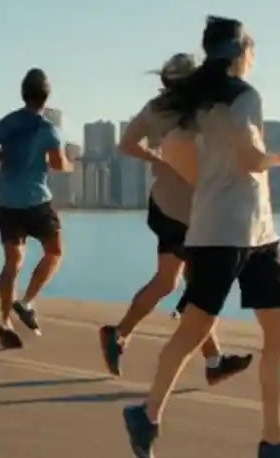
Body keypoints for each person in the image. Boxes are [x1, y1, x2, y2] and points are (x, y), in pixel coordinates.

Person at [122, 16, 280, 458]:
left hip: (255, 232)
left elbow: (166, 146)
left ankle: (274, 440)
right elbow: (250, 160)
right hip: (228, 232)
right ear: (241, 54)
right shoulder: (242, 97)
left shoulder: (198, 101)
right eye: (253, 52)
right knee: (197, 330)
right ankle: (147, 412)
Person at [100, 53, 253, 385]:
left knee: (178, 283)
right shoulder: (203, 109)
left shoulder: (154, 108)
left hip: (163, 204)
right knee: (193, 288)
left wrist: (156, 156)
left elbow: (126, 144)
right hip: (193, 210)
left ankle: (212, 360)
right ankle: (122, 334)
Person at [0, 68, 70, 349]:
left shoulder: (8, 122)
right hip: (37, 202)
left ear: (23, 93)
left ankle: (5, 320)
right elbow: (57, 164)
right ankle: (27, 301)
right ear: (47, 96)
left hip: (8, 203)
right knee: (54, 251)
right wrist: (69, 163)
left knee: (12, 263)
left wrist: (5, 154)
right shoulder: (48, 129)